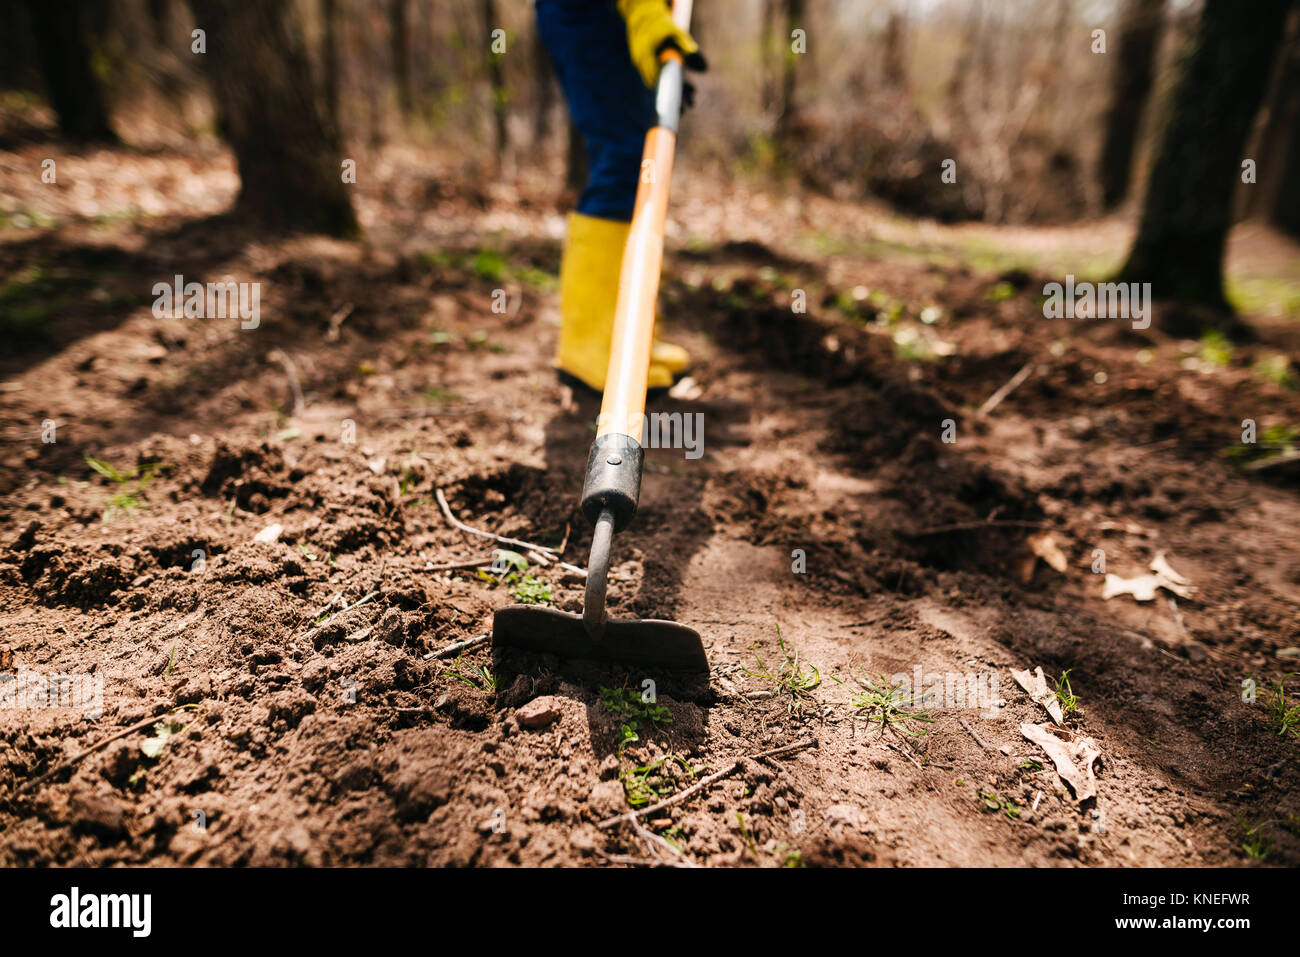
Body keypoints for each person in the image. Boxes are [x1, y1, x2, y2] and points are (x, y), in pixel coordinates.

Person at [535, 0, 706, 393]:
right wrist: (649, 19)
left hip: (614, 15)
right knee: (625, 158)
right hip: (588, 12)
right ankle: (590, 344)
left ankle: (628, 335)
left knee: (637, 159)